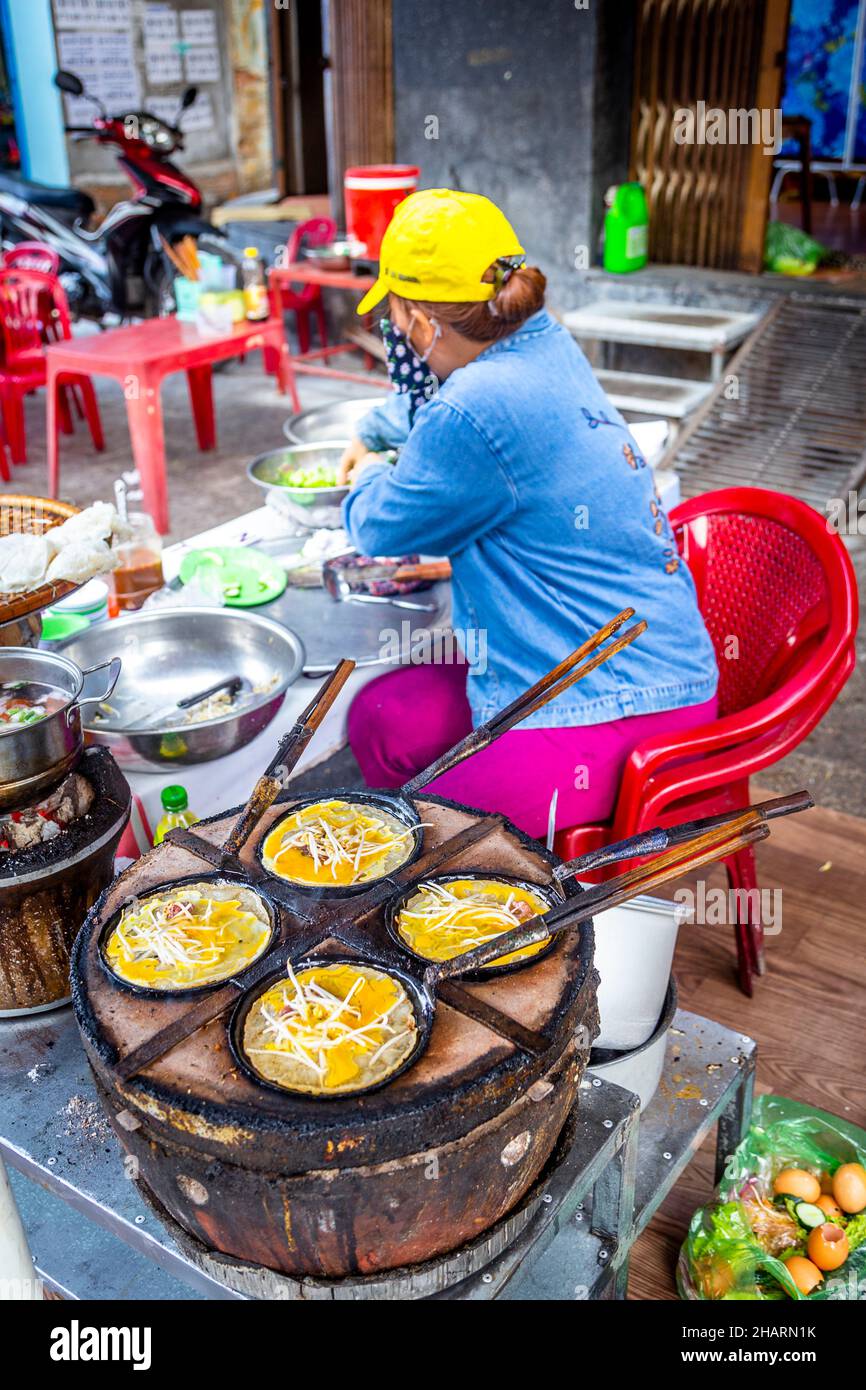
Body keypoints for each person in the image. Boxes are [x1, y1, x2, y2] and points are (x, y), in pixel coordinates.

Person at [339, 188, 718, 838]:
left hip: (610, 707)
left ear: (425, 322)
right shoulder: (541, 343)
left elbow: (379, 526)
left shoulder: (472, 408)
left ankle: (496, 906)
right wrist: (377, 427)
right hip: (647, 667)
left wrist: (369, 469)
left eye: (397, 317)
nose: (394, 334)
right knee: (381, 717)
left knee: (407, 842)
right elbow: (449, 418)